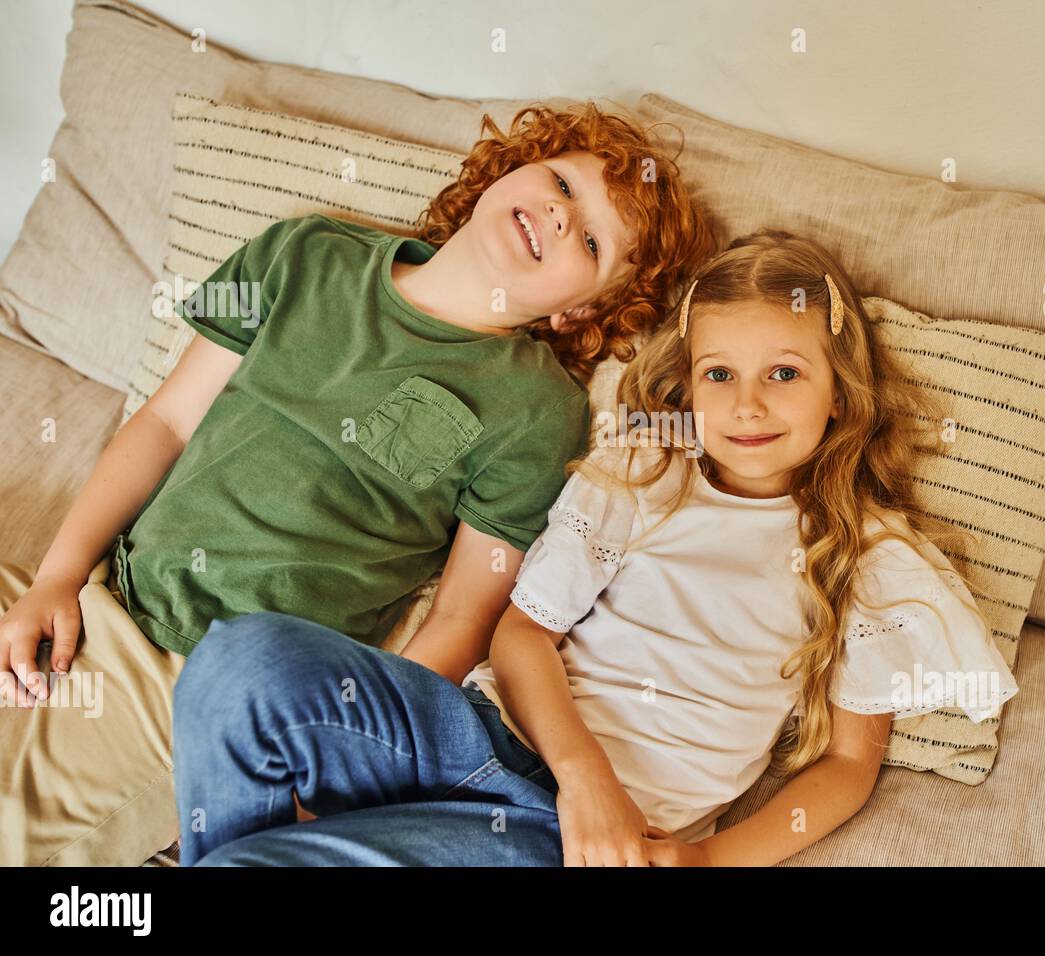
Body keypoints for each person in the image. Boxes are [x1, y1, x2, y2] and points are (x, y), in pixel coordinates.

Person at [0, 100, 715, 866]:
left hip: (197, 688)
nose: (560, 216)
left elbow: (458, 619)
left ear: (584, 310)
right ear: (511, 168)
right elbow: (165, 422)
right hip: (93, 591)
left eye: (595, 240)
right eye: (564, 184)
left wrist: (332, 763)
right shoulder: (303, 251)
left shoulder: (540, 412)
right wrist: (58, 576)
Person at [172, 229, 1020, 866]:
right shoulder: (641, 469)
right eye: (719, 373)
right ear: (685, 383)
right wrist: (585, 776)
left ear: (840, 393)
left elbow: (846, 766)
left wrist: (702, 859)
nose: (748, 404)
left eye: (786, 374)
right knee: (241, 664)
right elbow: (521, 635)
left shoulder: (869, 556)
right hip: (485, 743)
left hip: (585, 844)